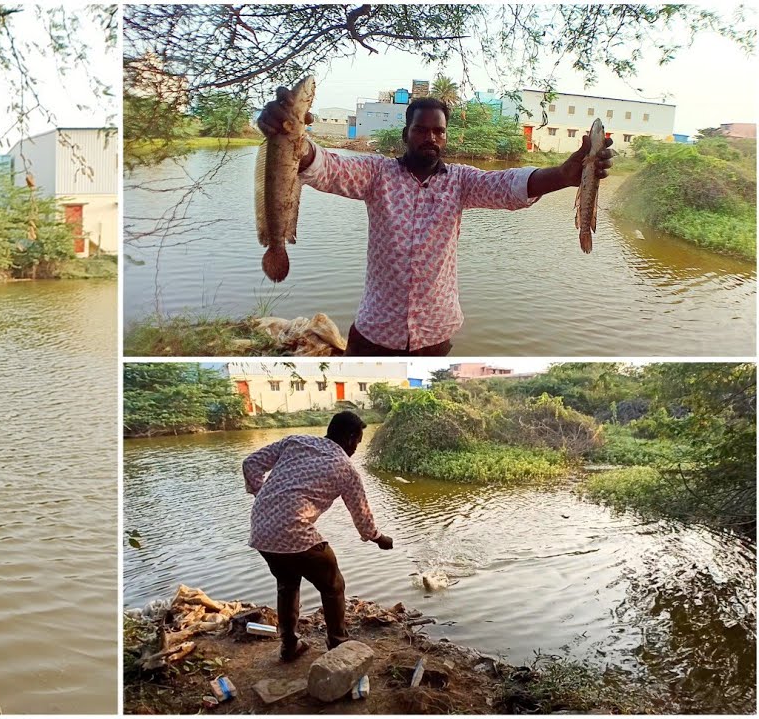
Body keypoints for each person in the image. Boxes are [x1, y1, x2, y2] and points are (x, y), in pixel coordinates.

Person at [257, 94, 615, 356]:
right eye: (421, 129)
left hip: (435, 335)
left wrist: (564, 176)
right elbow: (327, 168)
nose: (430, 137)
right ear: (406, 134)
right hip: (374, 333)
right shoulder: (376, 175)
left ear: (445, 137)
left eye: (438, 132)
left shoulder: (461, 182)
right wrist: (291, 137)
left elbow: (508, 186)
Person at [243, 411, 392, 661]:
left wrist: (264, 496)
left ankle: (289, 645)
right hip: (294, 531)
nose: (356, 448)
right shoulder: (345, 469)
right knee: (333, 584)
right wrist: (378, 538)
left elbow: (251, 463)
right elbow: (362, 515)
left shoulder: (295, 442)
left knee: (287, 584)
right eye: (358, 441)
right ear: (349, 437)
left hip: (261, 529)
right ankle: (338, 644)